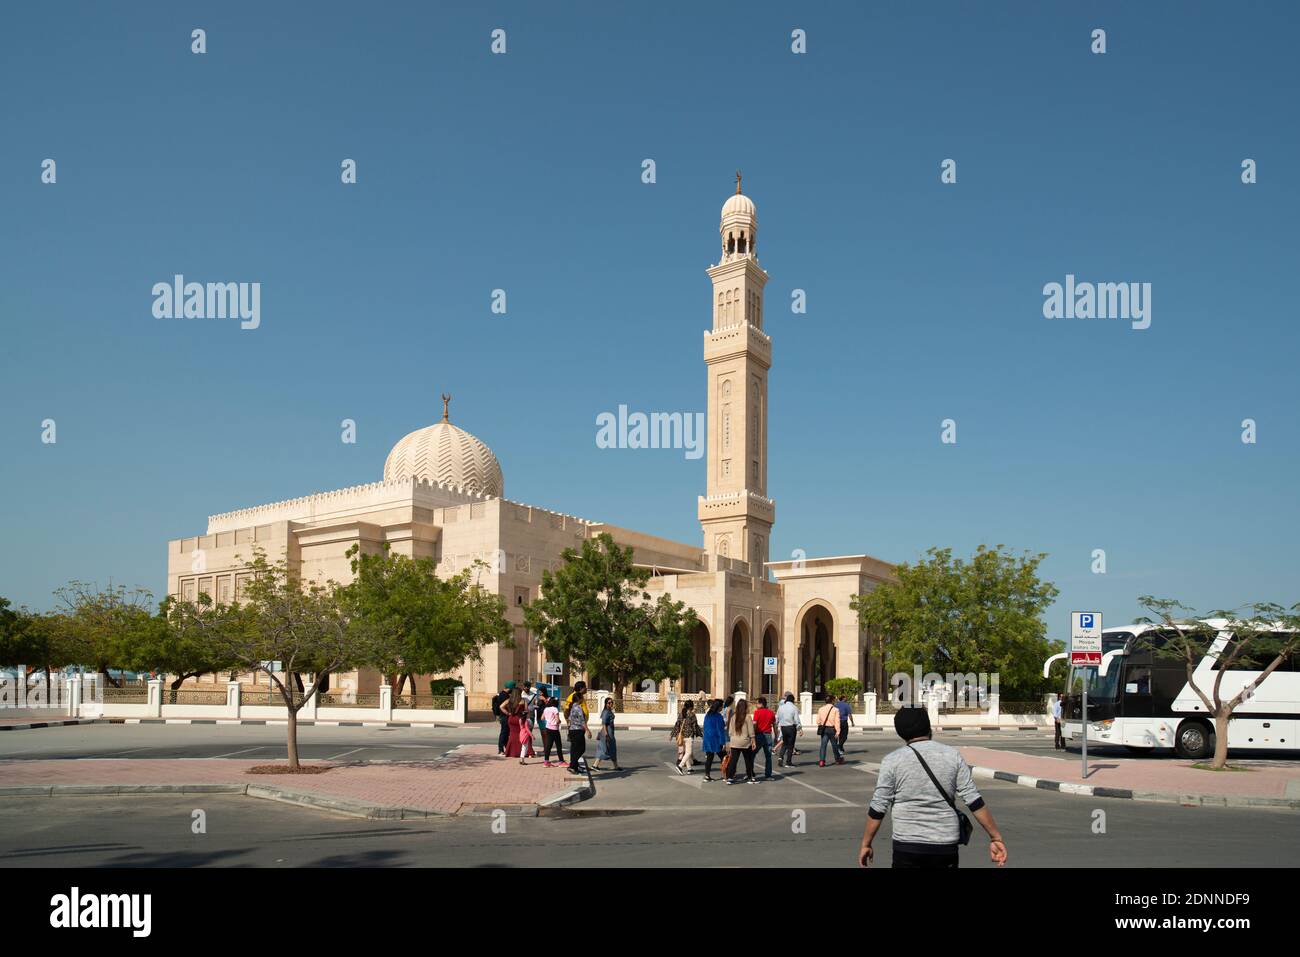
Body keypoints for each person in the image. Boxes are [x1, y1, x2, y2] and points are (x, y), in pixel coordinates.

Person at [859, 707, 1007, 869]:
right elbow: (974, 800)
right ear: (928, 726)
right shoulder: (952, 755)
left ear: (900, 732)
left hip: (907, 845)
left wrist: (866, 843)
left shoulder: (892, 760)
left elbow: (878, 807)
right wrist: (995, 838)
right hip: (945, 845)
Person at [725, 697, 758, 785]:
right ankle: (750, 777)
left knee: (733, 760)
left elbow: (730, 731)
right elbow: (751, 731)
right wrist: (753, 741)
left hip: (734, 741)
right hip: (745, 742)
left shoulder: (733, 717)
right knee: (748, 760)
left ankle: (730, 777)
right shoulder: (747, 717)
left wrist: (731, 740)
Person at [566, 688, 592, 774]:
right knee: (581, 749)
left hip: (572, 730)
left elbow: (569, 720)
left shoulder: (572, 707)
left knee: (574, 749)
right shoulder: (578, 708)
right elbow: (582, 721)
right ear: (580, 699)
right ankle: (572, 765)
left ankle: (575, 766)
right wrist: (588, 730)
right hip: (578, 731)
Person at [671, 701, 701, 775]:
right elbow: (695, 726)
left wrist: (672, 734)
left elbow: (677, 725)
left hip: (682, 736)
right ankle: (680, 766)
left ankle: (689, 769)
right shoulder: (692, 714)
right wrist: (700, 734)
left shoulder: (681, 714)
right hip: (689, 736)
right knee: (689, 752)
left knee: (686, 752)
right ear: (691, 707)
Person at [701, 699, 727, 782]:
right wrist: (723, 742)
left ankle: (707, 775)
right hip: (716, 739)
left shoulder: (707, 715)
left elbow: (705, 727)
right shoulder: (718, 716)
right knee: (724, 757)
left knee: (709, 758)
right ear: (718, 707)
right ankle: (727, 774)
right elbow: (720, 730)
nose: (722, 708)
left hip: (708, 739)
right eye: (721, 706)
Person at [752, 696, 777, 779]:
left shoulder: (757, 713)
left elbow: (755, 725)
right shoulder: (771, 713)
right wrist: (776, 736)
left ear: (761, 704)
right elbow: (774, 725)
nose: (756, 705)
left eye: (757, 703)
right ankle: (768, 775)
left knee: (752, 754)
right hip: (768, 735)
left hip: (759, 735)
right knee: (768, 756)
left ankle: (751, 773)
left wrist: (753, 736)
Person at [592, 697, 620, 771]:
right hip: (607, 732)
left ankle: (615, 766)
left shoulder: (609, 711)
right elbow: (604, 724)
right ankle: (595, 765)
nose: (610, 704)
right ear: (606, 703)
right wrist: (606, 734)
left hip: (609, 731)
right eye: (609, 703)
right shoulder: (606, 712)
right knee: (607, 749)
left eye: (611, 702)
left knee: (608, 748)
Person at [776, 691, 802, 767]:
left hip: (783, 727)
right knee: (790, 745)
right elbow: (797, 720)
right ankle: (788, 762)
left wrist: (777, 725)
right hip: (791, 727)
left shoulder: (781, 707)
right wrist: (799, 729)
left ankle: (780, 757)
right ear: (793, 700)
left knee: (784, 743)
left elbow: (777, 717)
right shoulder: (794, 708)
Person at [816, 696, 844, 766]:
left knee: (823, 745)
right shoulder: (835, 710)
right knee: (834, 745)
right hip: (832, 729)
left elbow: (818, 721)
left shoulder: (821, 709)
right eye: (834, 700)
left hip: (824, 729)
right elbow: (837, 721)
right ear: (832, 701)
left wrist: (822, 724)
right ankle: (837, 759)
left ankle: (822, 761)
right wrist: (838, 731)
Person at [492, 681, 516, 755]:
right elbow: (504, 706)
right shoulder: (505, 696)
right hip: (505, 717)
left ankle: (506, 749)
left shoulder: (501, 694)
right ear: (510, 688)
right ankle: (500, 750)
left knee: (505, 733)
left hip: (502, 716)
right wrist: (509, 713)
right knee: (504, 733)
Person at [541, 696, 566, 766]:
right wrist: (559, 721)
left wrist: (548, 719)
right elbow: (557, 720)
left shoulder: (546, 709)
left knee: (548, 745)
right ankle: (561, 761)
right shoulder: (555, 709)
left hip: (548, 728)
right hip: (554, 729)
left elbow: (542, 718)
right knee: (558, 745)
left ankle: (546, 761)